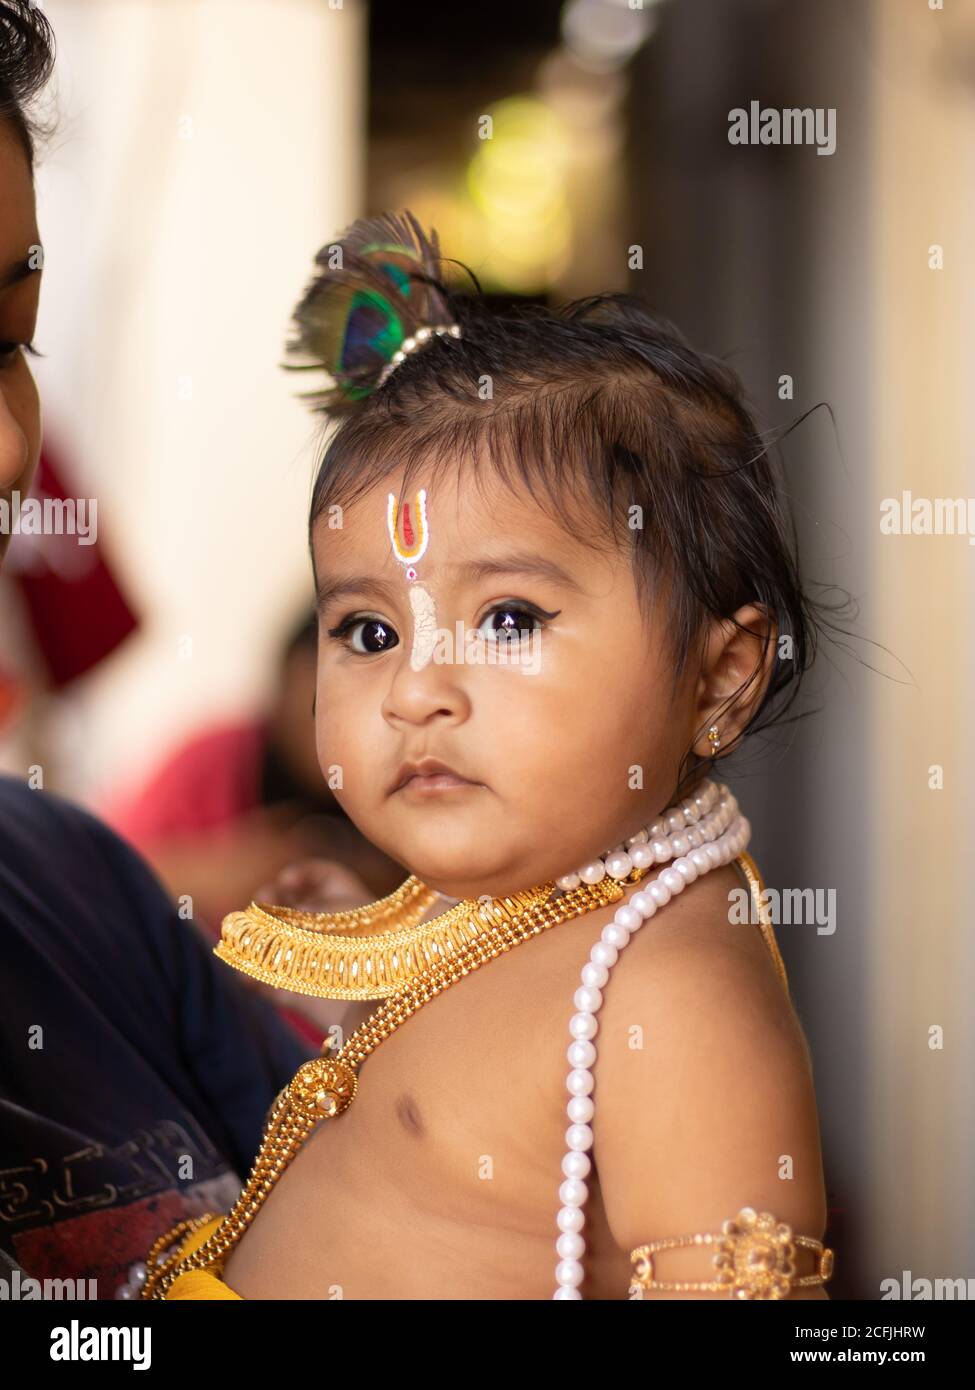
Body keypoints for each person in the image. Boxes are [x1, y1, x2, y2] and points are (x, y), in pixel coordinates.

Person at [142, 211, 836, 1301]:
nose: (417, 689)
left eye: (509, 619)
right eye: (370, 633)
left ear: (719, 678)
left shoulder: (670, 986)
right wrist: (366, 1008)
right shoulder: (504, 907)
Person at [0, 0, 363, 1299]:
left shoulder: (83, 889)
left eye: (13, 338)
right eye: (357, 637)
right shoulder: (170, 818)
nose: (11, 451)